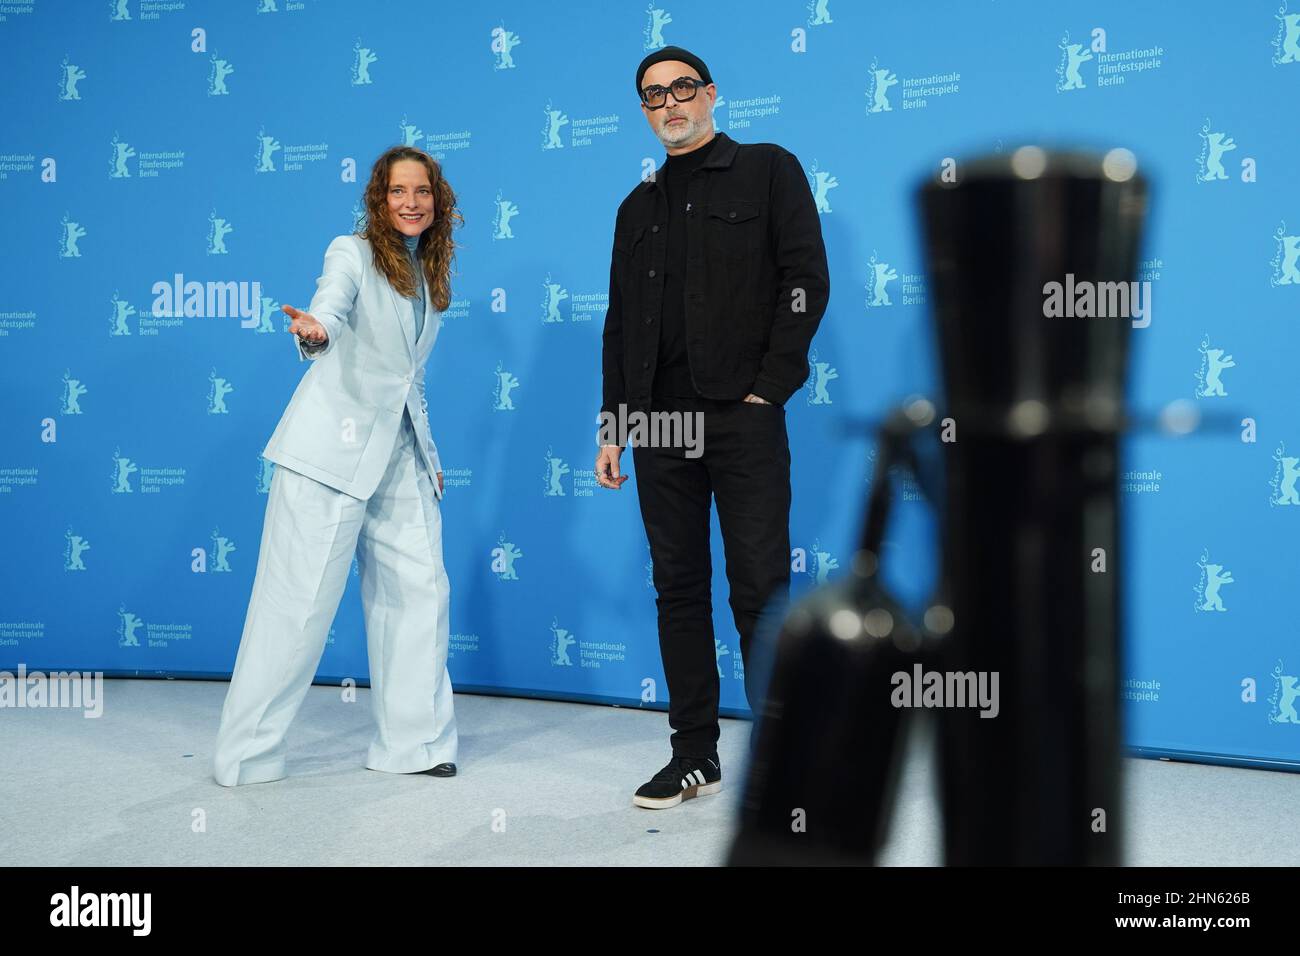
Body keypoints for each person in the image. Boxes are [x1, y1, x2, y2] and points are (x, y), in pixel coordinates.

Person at [596, 46, 830, 809]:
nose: (669, 104)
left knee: (761, 589)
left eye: (681, 89)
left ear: (711, 95)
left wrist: (771, 388)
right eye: (652, 95)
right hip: (660, 423)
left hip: (740, 414)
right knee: (679, 589)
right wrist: (615, 424)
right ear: (643, 111)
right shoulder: (637, 207)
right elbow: (621, 323)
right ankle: (694, 753)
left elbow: (805, 279)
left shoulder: (767, 168)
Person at [212, 145, 462, 787]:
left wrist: (427, 454)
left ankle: (416, 745)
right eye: (397, 192)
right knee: (295, 607)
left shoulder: (431, 269)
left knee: (421, 594)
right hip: (330, 453)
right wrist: (315, 330)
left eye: (422, 192)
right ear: (378, 200)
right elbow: (331, 304)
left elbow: (407, 377)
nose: (411, 203)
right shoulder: (350, 252)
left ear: (439, 200)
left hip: (401, 453)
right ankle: (247, 757)